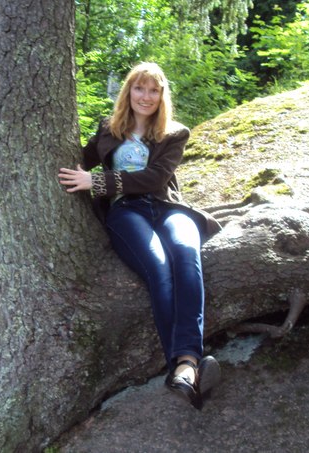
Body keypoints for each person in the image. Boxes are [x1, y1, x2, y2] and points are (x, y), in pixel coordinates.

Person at [58, 62, 222, 409]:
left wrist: (97, 181)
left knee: (186, 257)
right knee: (159, 271)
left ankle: (187, 363)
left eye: (153, 90)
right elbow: (79, 161)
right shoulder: (108, 130)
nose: (145, 96)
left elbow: (155, 178)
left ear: (162, 96)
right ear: (128, 92)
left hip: (169, 208)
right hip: (126, 211)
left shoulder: (174, 133)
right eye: (139, 88)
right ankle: (185, 367)